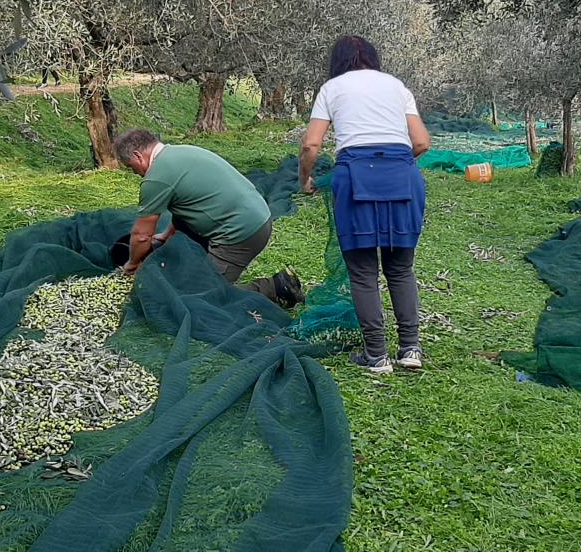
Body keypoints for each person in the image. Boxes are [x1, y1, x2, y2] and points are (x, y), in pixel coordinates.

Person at [299, 35, 431, 374]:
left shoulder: (332, 88)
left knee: (363, 273)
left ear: (337, 61)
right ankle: (410, 349)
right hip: (403, 176)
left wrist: (305, 180)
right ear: (373, 58)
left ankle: (376, 355)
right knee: (400, 268)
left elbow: (311, 145)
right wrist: (395, 163)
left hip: (356, 176)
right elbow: (421, 142)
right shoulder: (397, 86)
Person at [114, 129, 303, 306]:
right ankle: (201, 270)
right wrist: (166, 234)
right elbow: (188, 203)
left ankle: (278, 287)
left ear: (138, 156)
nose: (136, 174)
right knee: (187, 270)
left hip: (241, 233)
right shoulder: (180, 153)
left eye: (132, 168)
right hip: (256, 215)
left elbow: (141, 236)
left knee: (202, 298)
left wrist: (132, 264)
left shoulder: (157, 177)